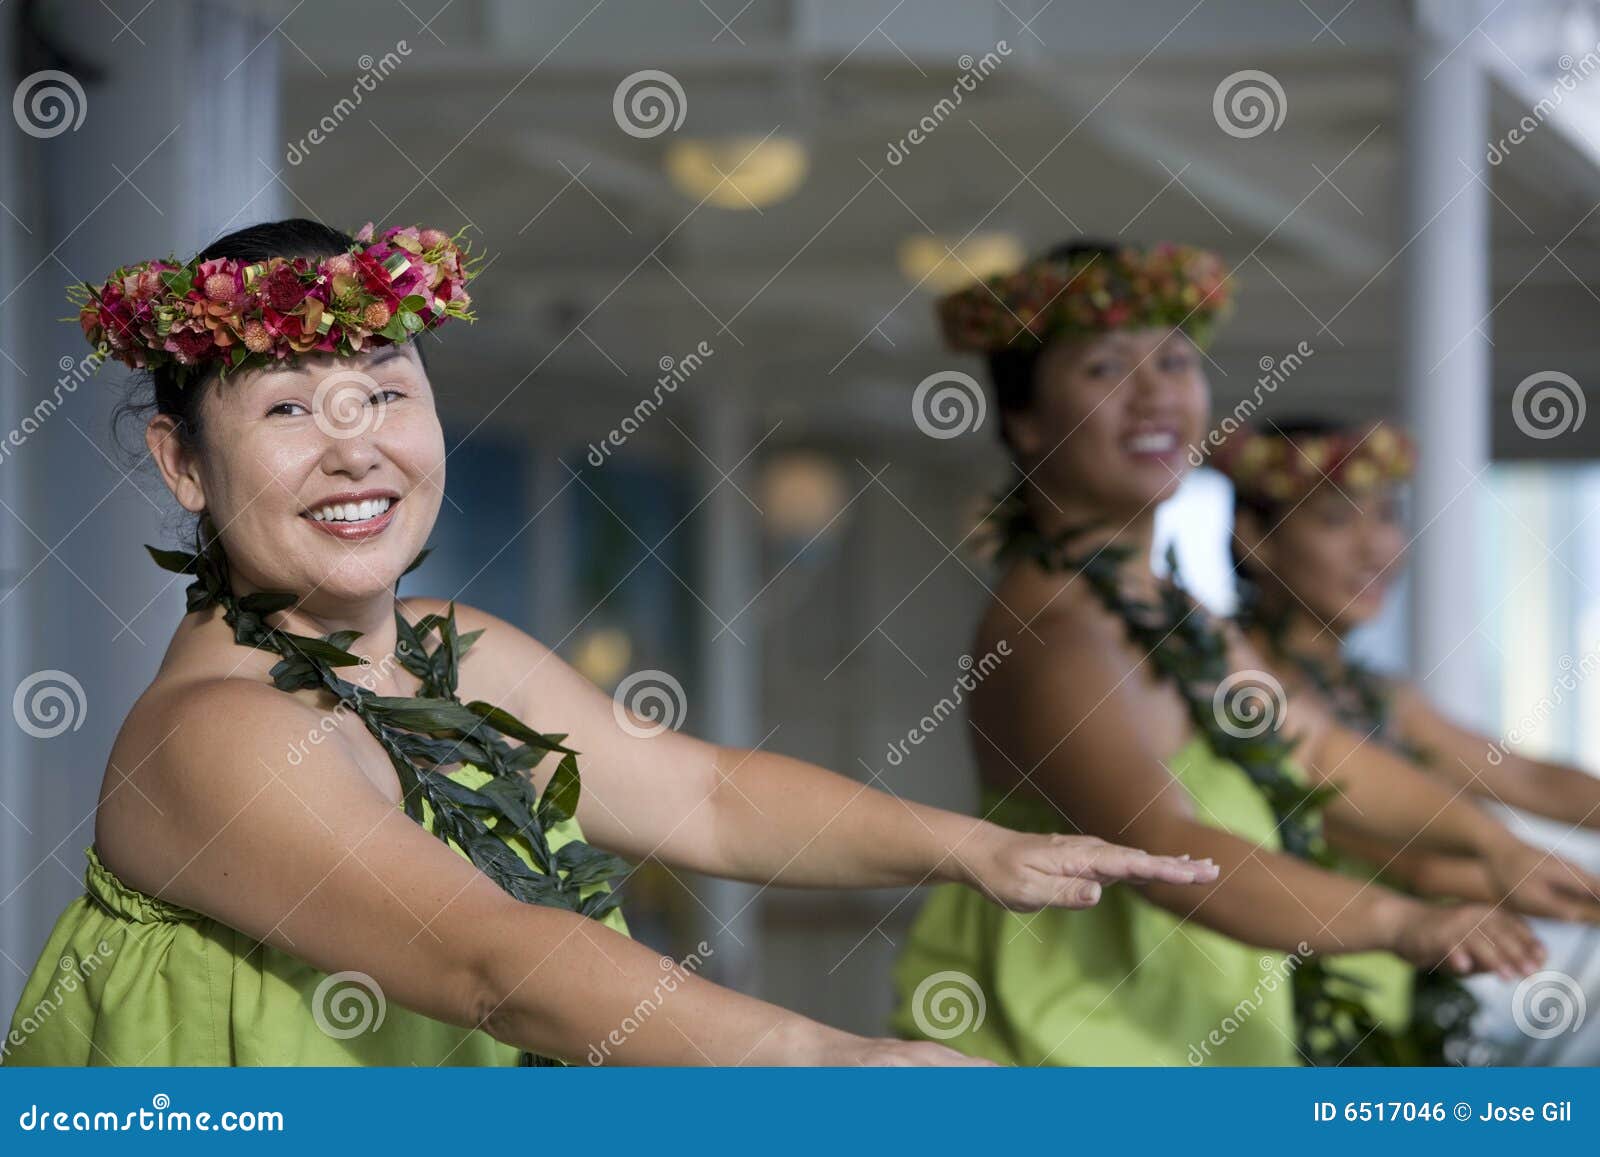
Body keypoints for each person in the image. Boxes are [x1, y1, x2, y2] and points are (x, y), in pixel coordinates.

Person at [3, 219, 1219, 1068]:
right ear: (181, 464)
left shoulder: (451, 648)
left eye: (386, 388)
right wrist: (824, 1057)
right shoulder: (218, 735)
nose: (354, 444)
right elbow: (495, 960)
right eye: (285, 407)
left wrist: (971, 848)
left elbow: (702, 795)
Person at [891, 240, 1600, 1067]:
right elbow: (1161, 845)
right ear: (1024, 418)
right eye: (1105, 369)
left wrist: (1499, 848)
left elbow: (1319, 750)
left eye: (1175, 361)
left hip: (1193, 1049)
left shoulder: (1178, 613)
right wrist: (1402, 918)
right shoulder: (1054, 635)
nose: (1154, 392)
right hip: (1067, 1058)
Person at [1219, 418, 1600, 1064]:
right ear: (1254, 538)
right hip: (1255, 1019)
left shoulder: (1380, 696)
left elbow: (1525, 778)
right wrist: (1565, 888)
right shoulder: (1236, 685)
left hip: (1374, 1015)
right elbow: (1404, 855)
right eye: (1337, 520)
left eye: (1387, 515)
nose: (1377, 547)